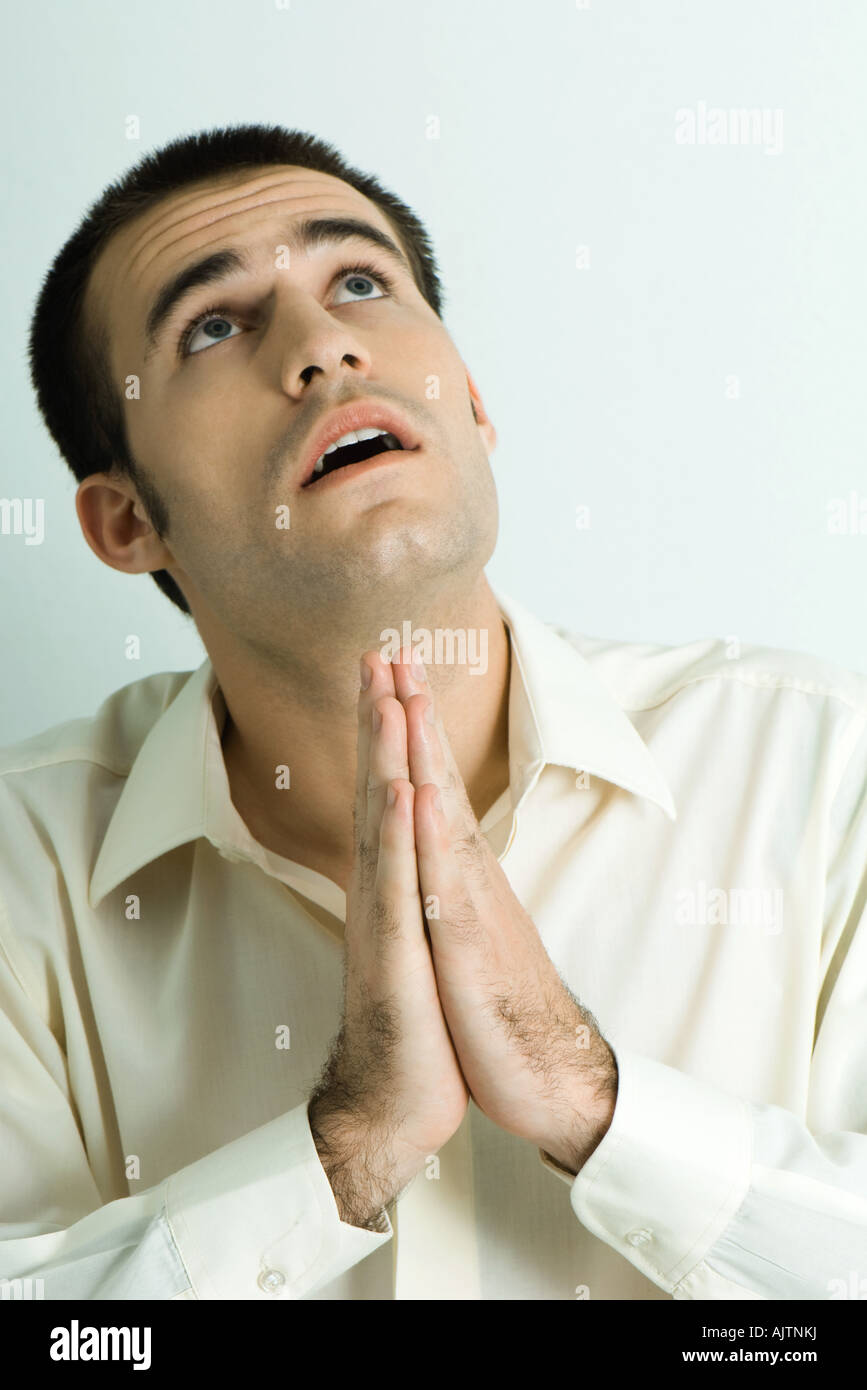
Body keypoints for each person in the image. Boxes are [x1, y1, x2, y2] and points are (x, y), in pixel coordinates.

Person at [3, 123, 864, 1301]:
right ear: (125, 522)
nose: (323, 346)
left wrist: (594, 1102)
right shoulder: (21, 875)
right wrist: (341, 1153)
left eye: (359, 280)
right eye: (214, 325)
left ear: (472, 400)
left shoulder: (821, 768)